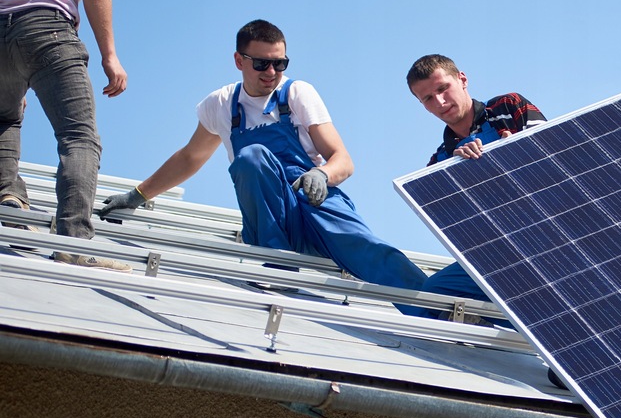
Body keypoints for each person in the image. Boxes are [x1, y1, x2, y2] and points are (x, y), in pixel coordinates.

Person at [99, 20, 427, 309]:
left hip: (316, 204)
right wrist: (138, 195)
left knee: (373, 254)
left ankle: (441, 309)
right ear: (239, 60)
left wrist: (321, 174)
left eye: (279, 63)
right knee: (251, 157)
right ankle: (277, 269)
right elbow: (191, 157)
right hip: (271, 218)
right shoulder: (222, 105)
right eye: (261, 64)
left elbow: (343, 160)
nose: (271, 73)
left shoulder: (296, 93)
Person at [0, 0, 130, 271]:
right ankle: (74, 241)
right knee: (79, 136)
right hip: (49, 27)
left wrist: (11, 71)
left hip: (4, 32)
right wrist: (110, 55)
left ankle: (8, 197)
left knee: (5, 117)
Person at [405, 54, 546, 323]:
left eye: (442, 88)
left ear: (463, 79)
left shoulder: (508, 107)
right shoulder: (439, 163)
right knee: (433, 296)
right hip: (497, 256)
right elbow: (460, 230)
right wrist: (463, 173)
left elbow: (554, 163)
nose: (440, 102)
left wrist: (507, 153)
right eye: (428, 99)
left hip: (549, 234)